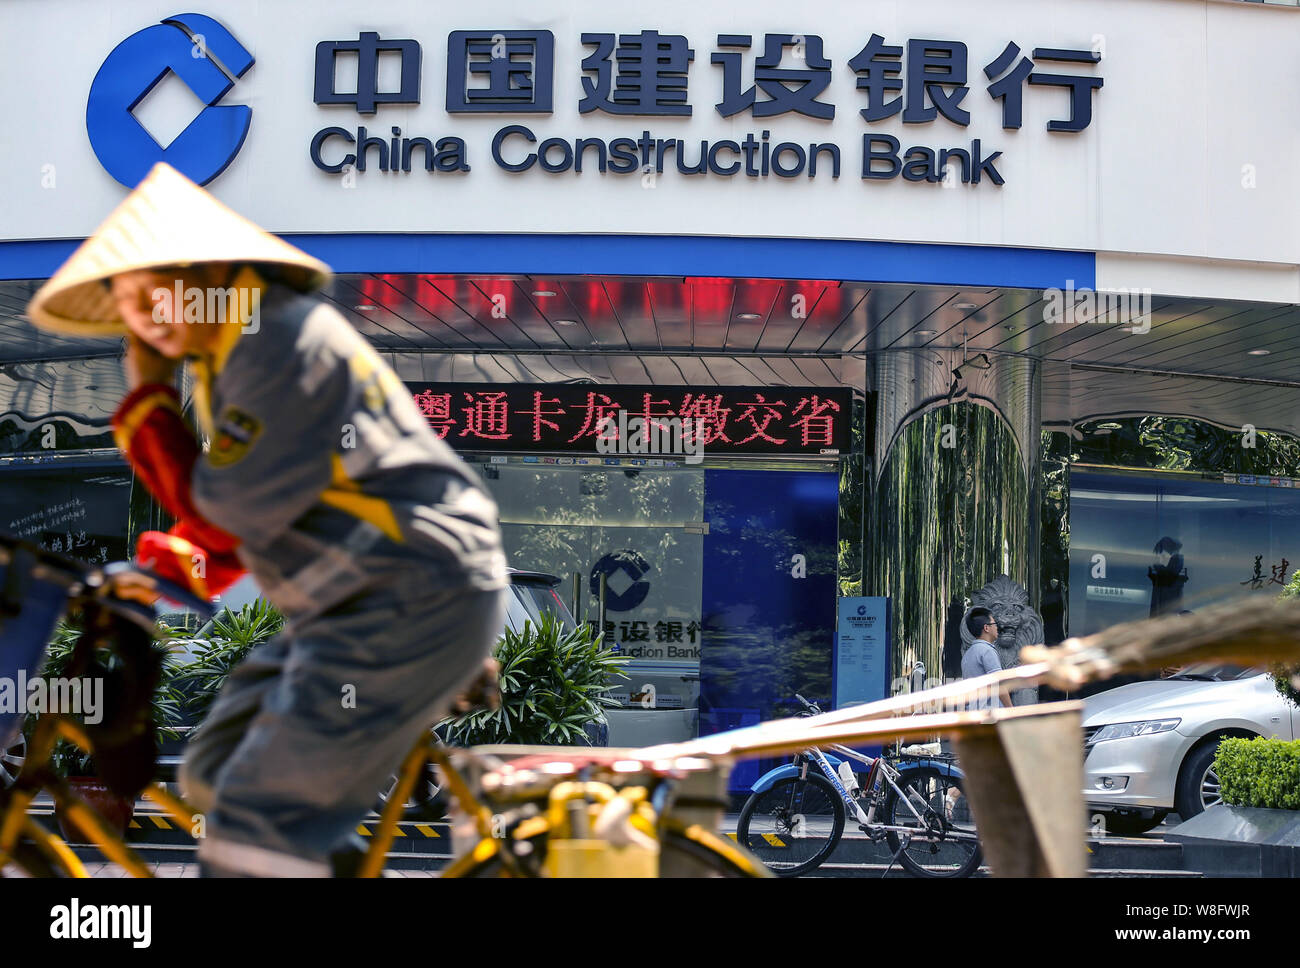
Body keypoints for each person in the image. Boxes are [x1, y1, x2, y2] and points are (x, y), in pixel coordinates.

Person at [26, 162, 509, 876]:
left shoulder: (272, 340)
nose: (138, 322)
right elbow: (237, 525)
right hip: (350, 603)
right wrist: (149, 574)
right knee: (213, 772)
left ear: (209, 273)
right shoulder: (230, 353)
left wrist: (151, 406)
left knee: (259, 817)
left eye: (147, 294)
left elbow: (227, 504)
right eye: (124, 303)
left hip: (404, 592)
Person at [962, 608, 1016, 710]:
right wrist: (1010, 710)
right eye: (994, 624)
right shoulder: (987, 651)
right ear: (986, 628)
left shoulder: (968, 654)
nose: (997, 628)